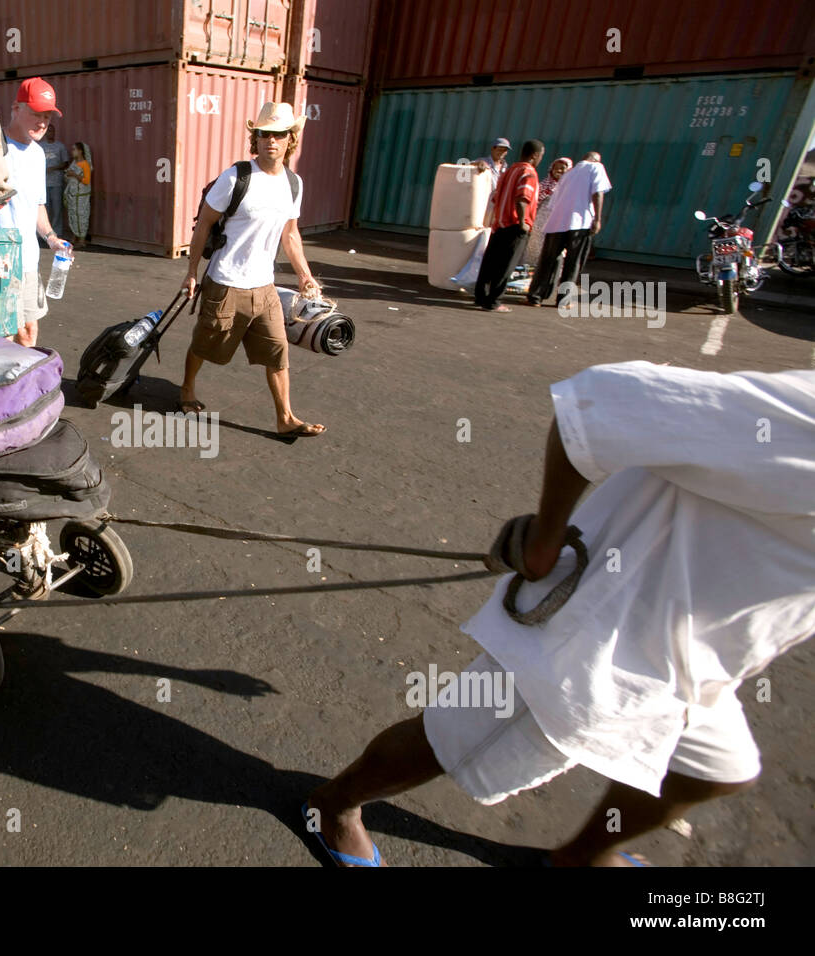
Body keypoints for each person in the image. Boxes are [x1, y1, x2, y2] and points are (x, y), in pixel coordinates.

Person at [304, 360, 815, 867]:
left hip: (696, 663)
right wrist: (545, 540)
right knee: (445, 740)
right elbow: (597, 402)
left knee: (717, 768)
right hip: (599, 635)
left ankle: (581, 858)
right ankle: (332, 806)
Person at [179, 101, 324, 439]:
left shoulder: (293, 184)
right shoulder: (237, 176)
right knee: (205, 344)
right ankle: (187, 389)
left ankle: (285, 417)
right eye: (263, 134)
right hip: (226, 282)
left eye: (277, 135)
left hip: (265, 287)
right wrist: (191, 272)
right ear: (255, 138)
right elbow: (203, 225)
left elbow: (290, 233)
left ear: (291, 139)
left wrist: (304, 274)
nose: (269, 141)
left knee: (278, 351)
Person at [0, 77, 70, 348]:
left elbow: (36, 204)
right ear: (15, 109)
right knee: (0, 337)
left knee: (28, 333)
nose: (42, 123)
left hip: (27, 261)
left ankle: (26, 390)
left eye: (47, 116)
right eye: (36, 114)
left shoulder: (37, 154)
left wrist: (51, 238)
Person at [526, 151, 613, 307]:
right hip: (580, 223)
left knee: (547, 260)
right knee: (573, 262)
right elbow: (598, 193)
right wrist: (598, 219)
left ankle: (535, 296)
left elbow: (553, 202)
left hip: (556, 222)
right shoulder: (595, 167)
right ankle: (563, 300)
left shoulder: (569, 173)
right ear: (594, 160)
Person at [474, 139, 544, 312]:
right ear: (535, 155)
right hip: (515, 225)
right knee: (505, 266)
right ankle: (494, 301)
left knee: (490, 263)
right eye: (541, 155)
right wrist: (522, 223)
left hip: (500, 224)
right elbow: (522, 198)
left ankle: (481, 297)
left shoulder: (510, 169)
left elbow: (497, 196)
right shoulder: (529, 172)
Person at [522, 157, 571, 268]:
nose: (559, 171)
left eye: (562, 169)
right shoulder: (544, 184)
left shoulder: (569, 188)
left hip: (559, 223)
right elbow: (534, 202)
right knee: (535, 247)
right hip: (541, 222)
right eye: (556, 168)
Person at [40, 126, 70, 238]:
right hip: (43, 183)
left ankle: (57, 232)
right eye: (48, 131)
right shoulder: (40, 146)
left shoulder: (60, 147)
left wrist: (53, 168)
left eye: (52, 131)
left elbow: (65, 163)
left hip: (57, 182)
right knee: (44, 209)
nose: (50, 133)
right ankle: (44, 234)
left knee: (57, 208)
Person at [63, 142, 92, 247]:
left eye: (74, 149)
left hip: (81, 196)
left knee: (81, 216)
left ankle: (82, 239)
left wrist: (74, 175)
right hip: (73, 195)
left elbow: (86, 180)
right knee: (73, 215)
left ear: (80, 151)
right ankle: (74, 235)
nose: (72, 152)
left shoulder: (85, 164)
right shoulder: (74, 163)